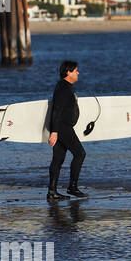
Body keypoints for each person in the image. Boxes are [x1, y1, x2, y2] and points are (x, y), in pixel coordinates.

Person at [47, 60, 86, 199]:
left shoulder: (64, 86)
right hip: (62, 127)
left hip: (61, 127)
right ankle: (72, 187)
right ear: (68, 72)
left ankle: (52, 192)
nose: (78, 73)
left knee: (58, 158)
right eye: (76, 70)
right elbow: (57, 110)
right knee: (80, 153)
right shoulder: (64, 88)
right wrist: (55, 132)